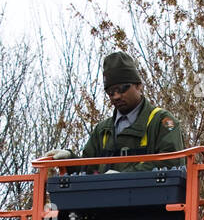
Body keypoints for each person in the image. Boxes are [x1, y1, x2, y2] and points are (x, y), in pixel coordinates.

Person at [40, 52, 185, 172]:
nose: (116, 96)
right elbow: (90, 167)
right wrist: (70, 160)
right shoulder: (103, 130)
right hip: (107, 203)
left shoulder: (161, 122)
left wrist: (124, 177)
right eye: (110, 92)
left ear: (139, 86)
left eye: (122, 89)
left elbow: (171, 161)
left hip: (152, 202)